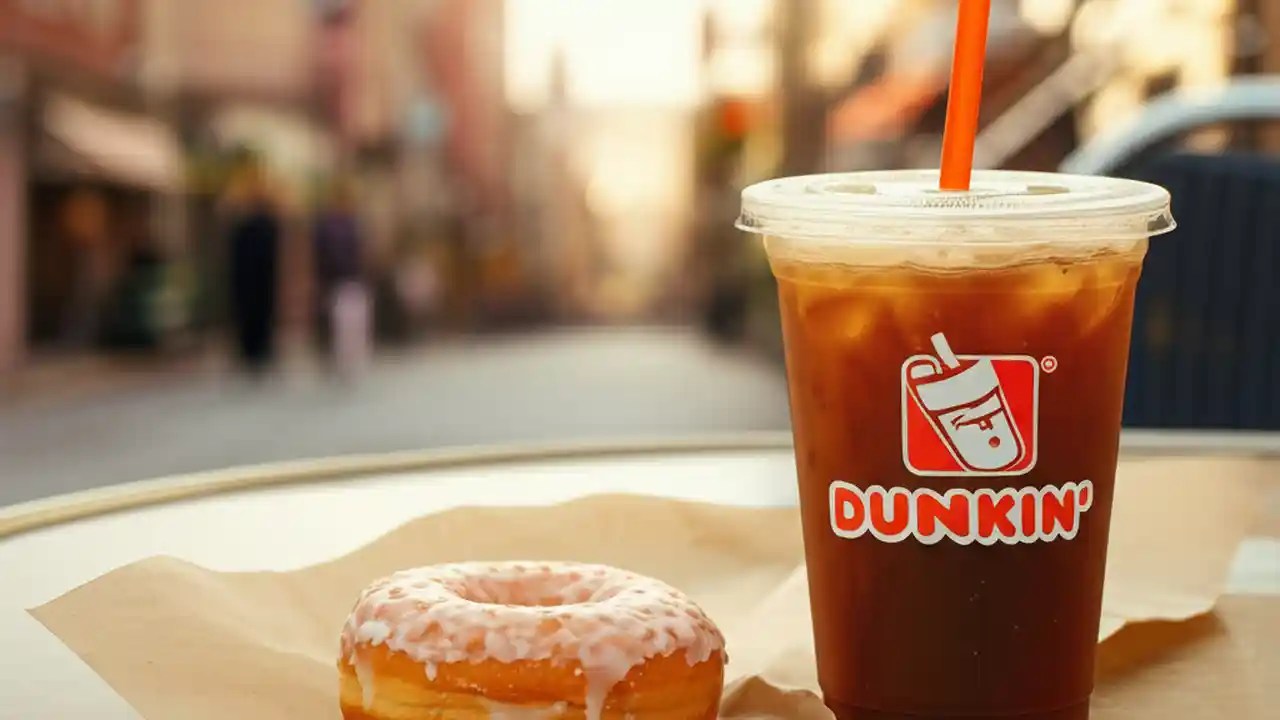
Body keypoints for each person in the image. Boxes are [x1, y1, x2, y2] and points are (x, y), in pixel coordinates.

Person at [225, 160, 281, 375]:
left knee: (260, 315)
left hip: (261, 280)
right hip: (248, 280)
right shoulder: (244, 222)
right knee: (249, 316)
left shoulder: (267, 222)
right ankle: (251, 352)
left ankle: (259, 351)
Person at [313, 180, 370, 379]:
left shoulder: (353, 224)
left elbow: (361, 251)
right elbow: (321, 254)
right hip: (335, 280)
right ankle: (339, 359)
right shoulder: (326, 226)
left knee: (354, 322)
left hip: (352, 279)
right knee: (339, 322)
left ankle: (353, 358)